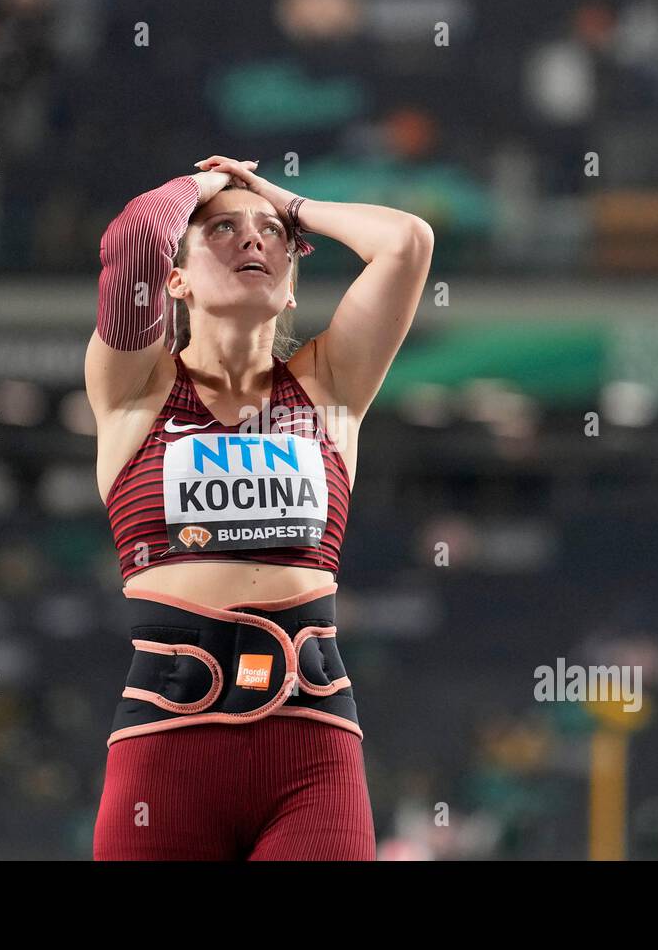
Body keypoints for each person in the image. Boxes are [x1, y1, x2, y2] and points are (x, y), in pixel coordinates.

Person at [87, 154, 433, 860]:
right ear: (174, 280)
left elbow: (406, 243)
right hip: (167, 754)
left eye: (269, 234)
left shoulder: (329, 388)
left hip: (312, 754)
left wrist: (289, 203)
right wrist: (207, 183)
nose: (252, 240)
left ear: (291, 290)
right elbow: (134, 240)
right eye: (222, 230)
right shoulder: (135, 392)